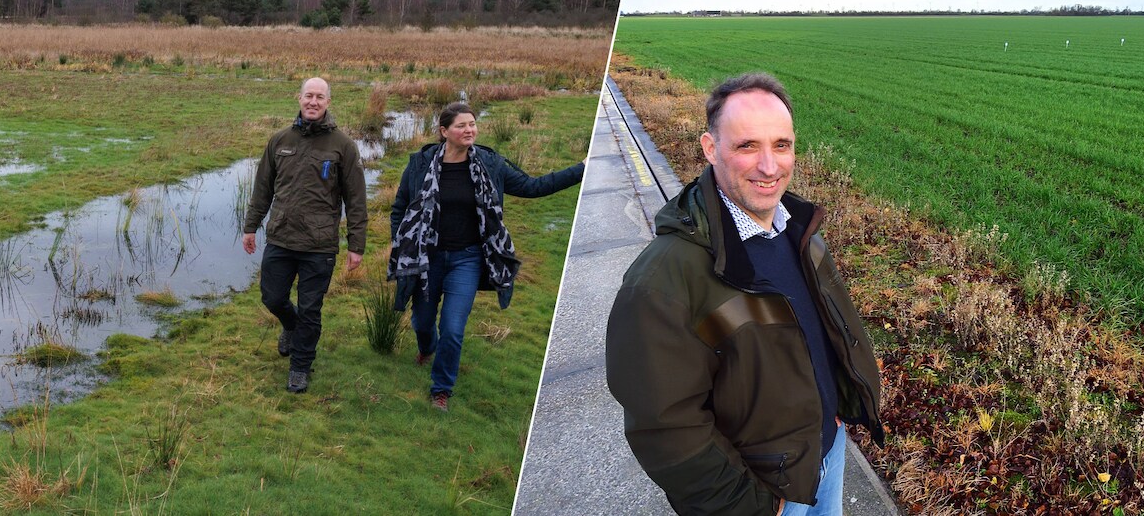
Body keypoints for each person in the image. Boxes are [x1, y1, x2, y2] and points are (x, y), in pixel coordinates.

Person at [605, 73, 884, 515]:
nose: (770, 167)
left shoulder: (799, 231)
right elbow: (665, 426)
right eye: (747, 146)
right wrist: (752, 506)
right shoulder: (662, 280)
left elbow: (819, 332)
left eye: (781, 145)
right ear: (710, 148)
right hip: (766, 492)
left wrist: (835, 403)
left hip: (825, 452)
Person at [388, 102, 583, 412]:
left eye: (472, 124)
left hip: (467, 259)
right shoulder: (420, 164)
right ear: (444, 131)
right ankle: (427, 348)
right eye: (461, 125)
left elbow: (534, 187)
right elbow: (400, 207)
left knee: (453, 328)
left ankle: (441, 390)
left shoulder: (490, 165)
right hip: (427, 258)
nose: (469, 130)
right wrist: (400, 244)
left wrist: (583, 167)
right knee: (423, 322)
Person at [243, 77, 367, 394]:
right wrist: (251, 226)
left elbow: (356, 199)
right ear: (299, 98)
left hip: (319, 244)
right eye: (308, 95)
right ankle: (290, 325)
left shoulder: (343, 145)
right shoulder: (280, 140)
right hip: (281, 236)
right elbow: (262, 188)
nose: (313, 102)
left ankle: (300, 367)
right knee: (272, 297)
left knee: (311, 309)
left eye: (320, 97)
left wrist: (356, 245)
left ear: (328, 102)